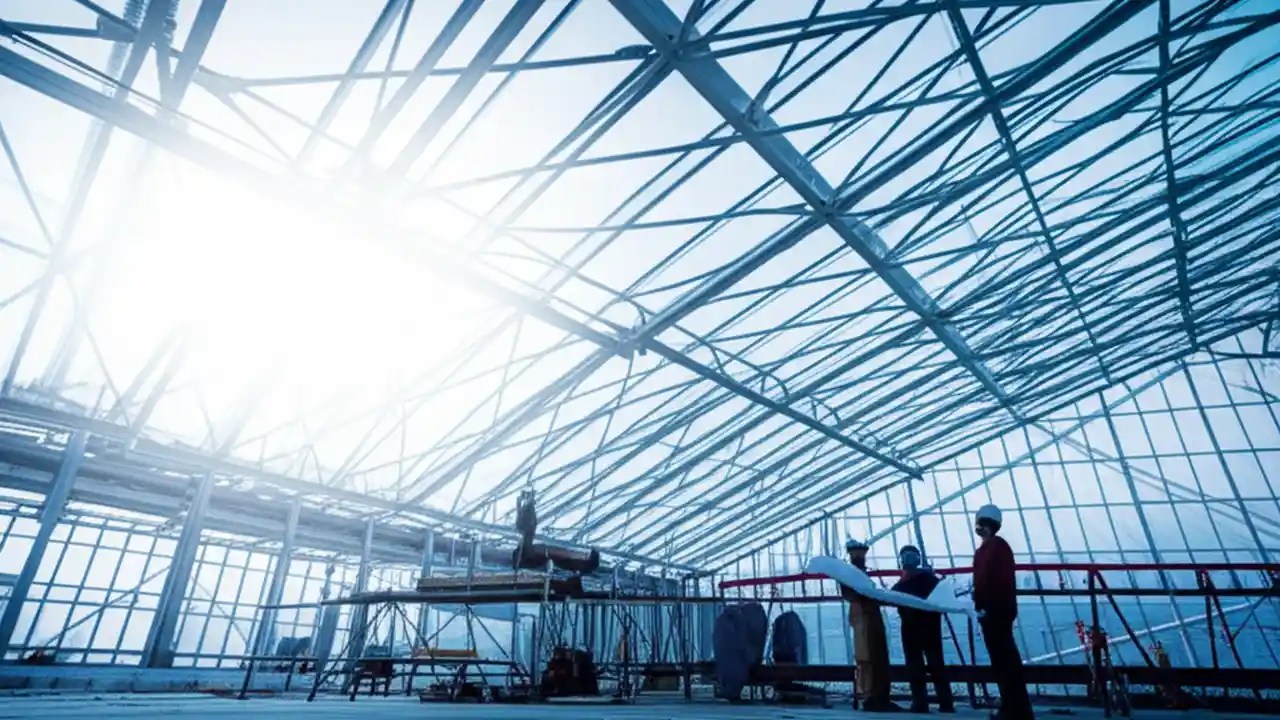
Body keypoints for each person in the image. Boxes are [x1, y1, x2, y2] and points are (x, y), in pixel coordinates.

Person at [972, 505, 1034, 720]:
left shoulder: (990, 549)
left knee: (1004, 661)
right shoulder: (997, 547)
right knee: (1005, 660)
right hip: (999, 610)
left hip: (993, 611)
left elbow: (985, 580)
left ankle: (1014, 708)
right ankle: (1016, 707)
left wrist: (981, 603)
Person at [892, 545, 954, 714]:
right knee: (934, 664)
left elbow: (892, 596)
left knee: (918, 665)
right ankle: (944, 702)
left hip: (914, 627)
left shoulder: (906, 583)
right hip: (927, 627)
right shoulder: (929, 580)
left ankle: (921, 702)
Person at [842, 538, 901, 712]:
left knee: (875, 656)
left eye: (861, 555)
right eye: (857, 555)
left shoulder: (856, 574)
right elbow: (852, 595)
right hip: (864, 618)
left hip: (869, 617)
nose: (860, 558)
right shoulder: (849, 575)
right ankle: (872, 695)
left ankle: (877, 694)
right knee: (868, 656)